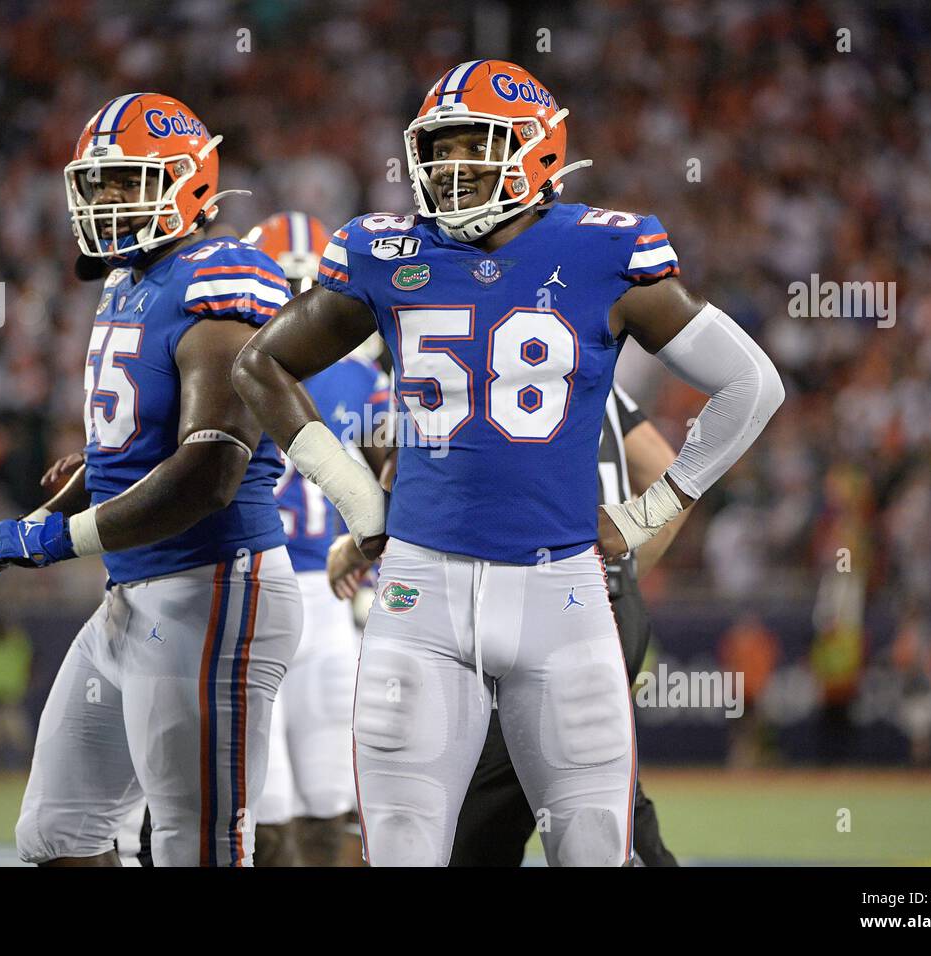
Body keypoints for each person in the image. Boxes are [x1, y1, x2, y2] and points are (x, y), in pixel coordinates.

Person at [233, 59, 784, 866]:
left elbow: (751, 384)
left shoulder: (607, 250)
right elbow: (259, 366)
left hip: (561, 590)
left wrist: (650, 509)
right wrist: (360, 500)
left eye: (473, 146)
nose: (450, 169)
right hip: (420, 592)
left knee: (593, 849)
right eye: (439, 148)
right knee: (407, 851)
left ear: (537, 153)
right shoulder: (384, 251)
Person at [0, 93, 302, 867]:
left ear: (187, 182)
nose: (106, 201)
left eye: (127, 182)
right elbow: (120, 460)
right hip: (133, 595)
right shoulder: (126, 282)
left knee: (201, 848)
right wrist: (35, 521)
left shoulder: (222, 280)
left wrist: (48, 538)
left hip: (212, 588)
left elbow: (211, 468)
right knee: (59, 835)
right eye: (97, 185)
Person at [329, 383, 691, 865]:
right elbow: (661, 468)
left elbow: (434, 483)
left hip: (522, 597)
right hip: (600, 606)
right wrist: (615, 575)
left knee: (479, 822)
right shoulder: (585, 354)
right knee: (600, 799)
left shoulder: (464, 353)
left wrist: (356, 545)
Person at [247, 212, 388, 865]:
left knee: (267, 825)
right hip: (329, 607)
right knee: (327, 817)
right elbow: (408, 467)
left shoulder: (223, 365)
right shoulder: (360, 376)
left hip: (252, 598)